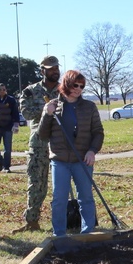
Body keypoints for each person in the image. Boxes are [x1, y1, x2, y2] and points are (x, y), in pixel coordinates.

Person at [37, 70, 104, 236]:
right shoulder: (53, 105)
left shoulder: (89, 107)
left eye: (82, 86)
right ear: (66, 84)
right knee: (59, 199)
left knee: (86, 197)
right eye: (75, 85)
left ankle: (87, 233)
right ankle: (59, 235)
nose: (79, 89)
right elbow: (42, 135)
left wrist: (92, 151)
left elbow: (98, 132)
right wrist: (47, 114)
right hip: (59, 161)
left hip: (82, 160)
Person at [14, 56, 61, 232]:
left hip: (61, 142)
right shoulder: (30, 91)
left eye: (56, 68)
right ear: (42, 71)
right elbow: (26, 113)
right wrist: (45, 109)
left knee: (62, 185)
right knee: (36, 183)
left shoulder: (65, 90)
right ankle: (32, 221)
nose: (55, 71)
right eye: (51, 69)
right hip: (39, 143)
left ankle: (64, 220)